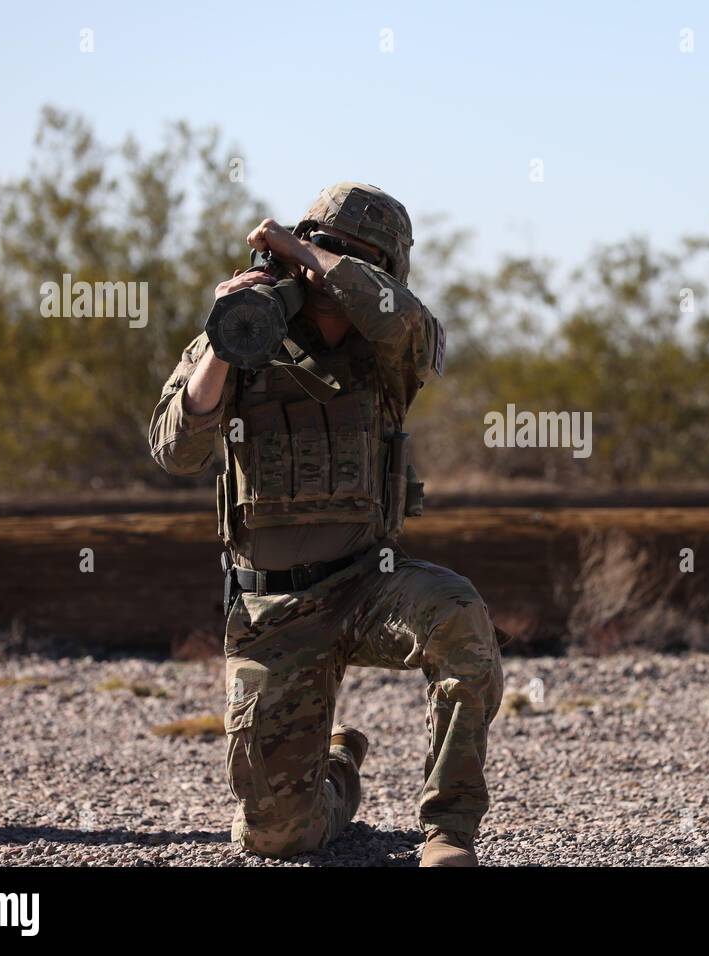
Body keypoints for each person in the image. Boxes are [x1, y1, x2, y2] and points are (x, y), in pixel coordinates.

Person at [148, 182, 503, 866]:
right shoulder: (248, 335)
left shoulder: (393, 348)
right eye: (320, 245)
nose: (320, 266)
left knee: (459, 614)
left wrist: (304, 249)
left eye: (350, 257)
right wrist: (229, 334)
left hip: (371, 584)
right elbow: (175, 450)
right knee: (276, 839)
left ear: (384, 273)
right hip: (272, 606)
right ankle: (339, 769)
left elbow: (410, 322)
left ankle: (448, 830)